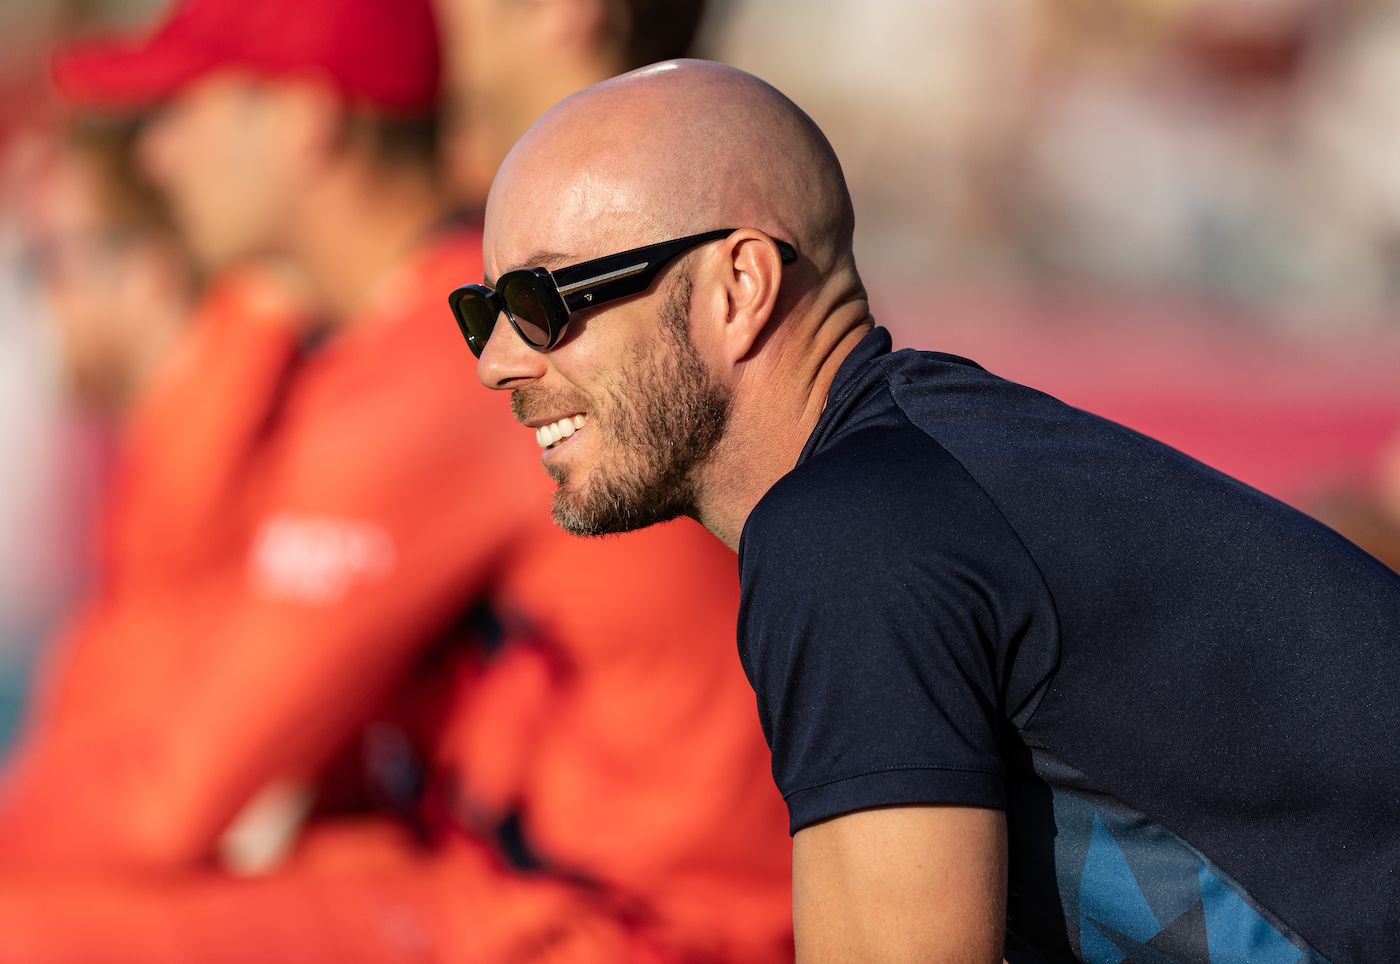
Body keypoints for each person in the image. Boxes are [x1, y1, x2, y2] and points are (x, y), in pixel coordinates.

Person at [463, 59, 1400, 963]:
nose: (497, 361)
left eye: (541, 300)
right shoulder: (928, 473)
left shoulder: (853, 535)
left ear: (739, 287)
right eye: (483, 311)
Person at [0, 7, 792, 961]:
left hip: (640, 927)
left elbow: (169, 795)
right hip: (526, 884)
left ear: (307, 119)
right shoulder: (378, 332)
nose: (160, 157)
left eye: (191, 106)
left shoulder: (434, 365)